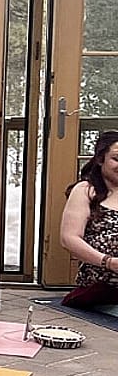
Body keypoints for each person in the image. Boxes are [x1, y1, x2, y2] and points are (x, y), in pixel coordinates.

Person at [60, 131, 118, 309]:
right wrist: (108, 262)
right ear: (100, 159)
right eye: (116, 159)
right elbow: (69, 238)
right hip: (99, 288)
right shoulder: (86, 190)